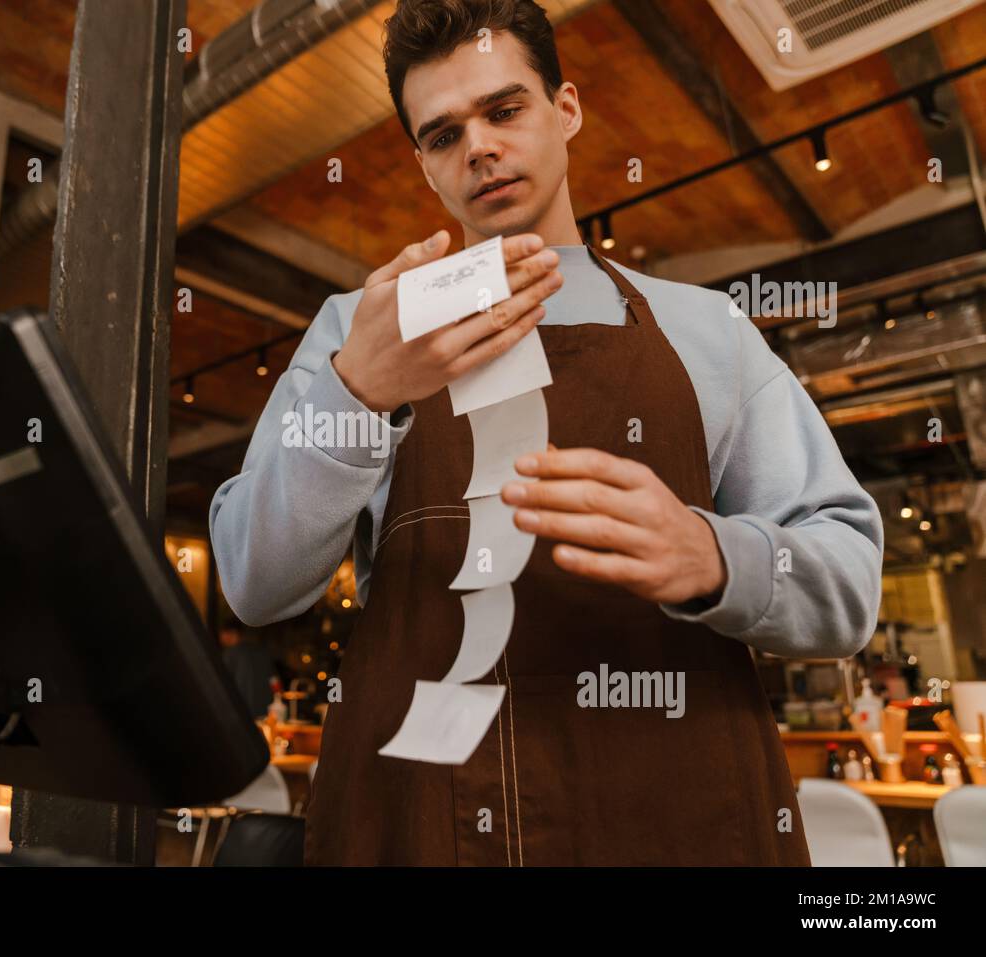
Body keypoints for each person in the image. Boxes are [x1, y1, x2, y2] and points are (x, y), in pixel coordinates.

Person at [209, 0, 883, 865]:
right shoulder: (361, 330)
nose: (479, 148)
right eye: (443, 135)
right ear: (424, 167)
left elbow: (850, 579)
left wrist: (715, 555)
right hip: (422, 813)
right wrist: (359, 392)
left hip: (676, 811)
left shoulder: (707, 327)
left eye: (503, 110)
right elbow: (255, 583)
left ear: (565, 110)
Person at [219, 620, 278, 719]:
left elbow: (222, 684)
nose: (220, 638)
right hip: (265, 711)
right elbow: (275, 682)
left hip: (242, 711)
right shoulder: (261, 652)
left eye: (222, 634)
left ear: (232, 633)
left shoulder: (230, 654)